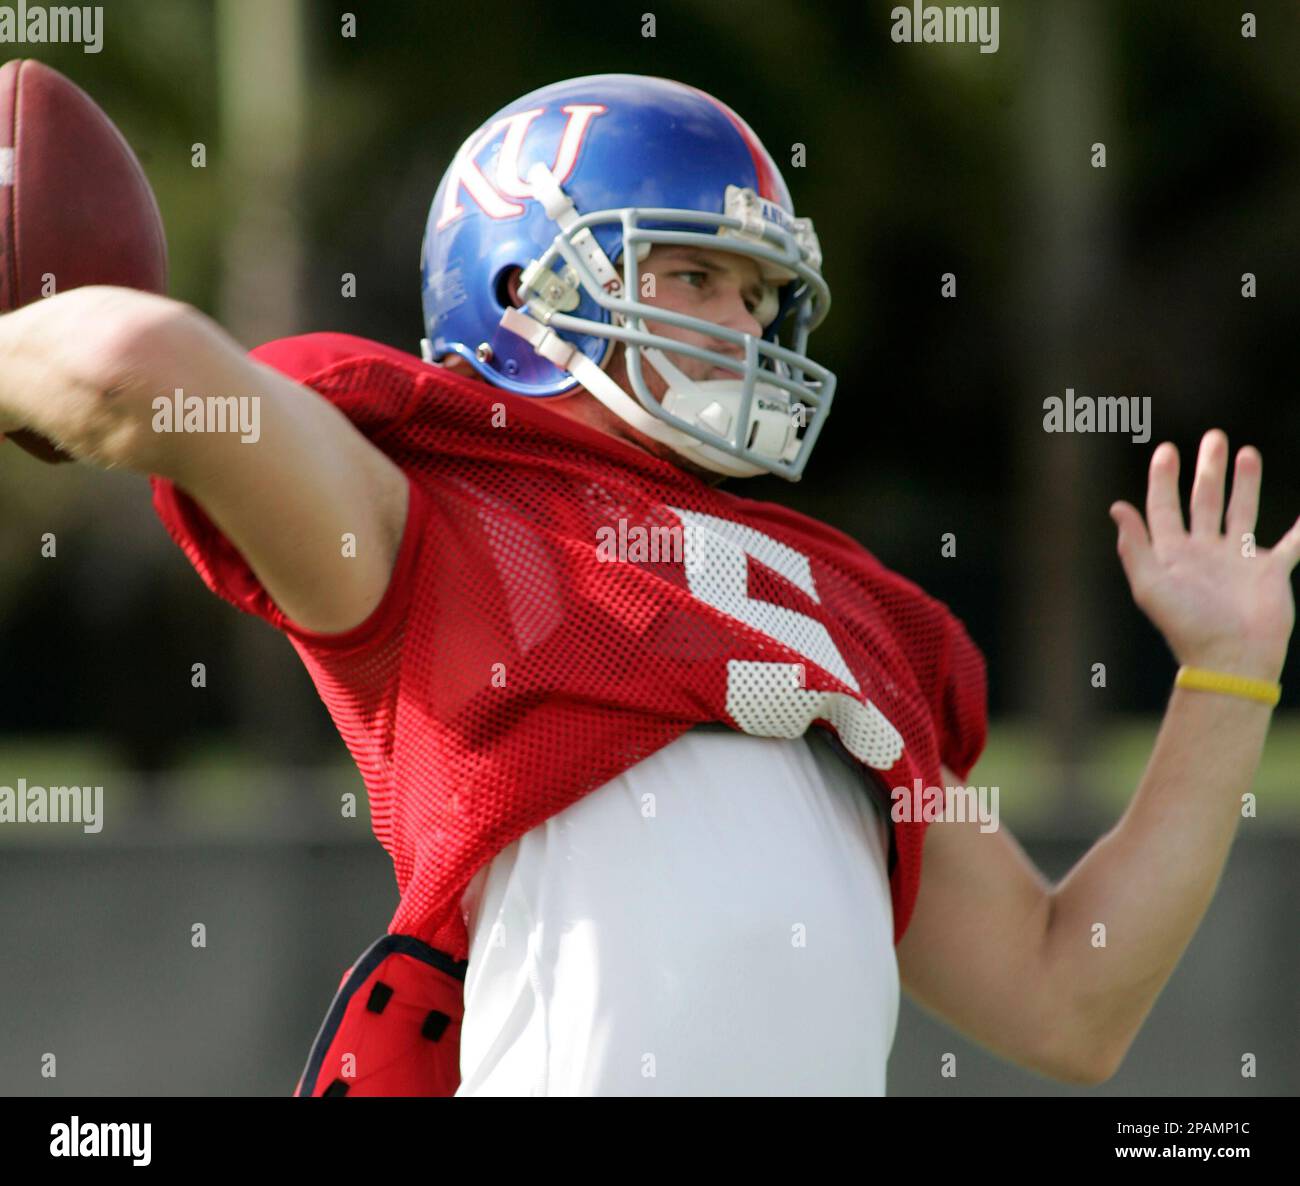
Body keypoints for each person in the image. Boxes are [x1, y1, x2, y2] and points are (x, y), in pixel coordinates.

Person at [1, 74, 1295, 1097]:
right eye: (691, 274)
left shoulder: (840, 613)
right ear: (520, 288)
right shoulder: (446, 521)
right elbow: (128, 362)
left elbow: (1072, 996)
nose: (739, 327)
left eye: (758, 293)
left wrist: (1225, 677)